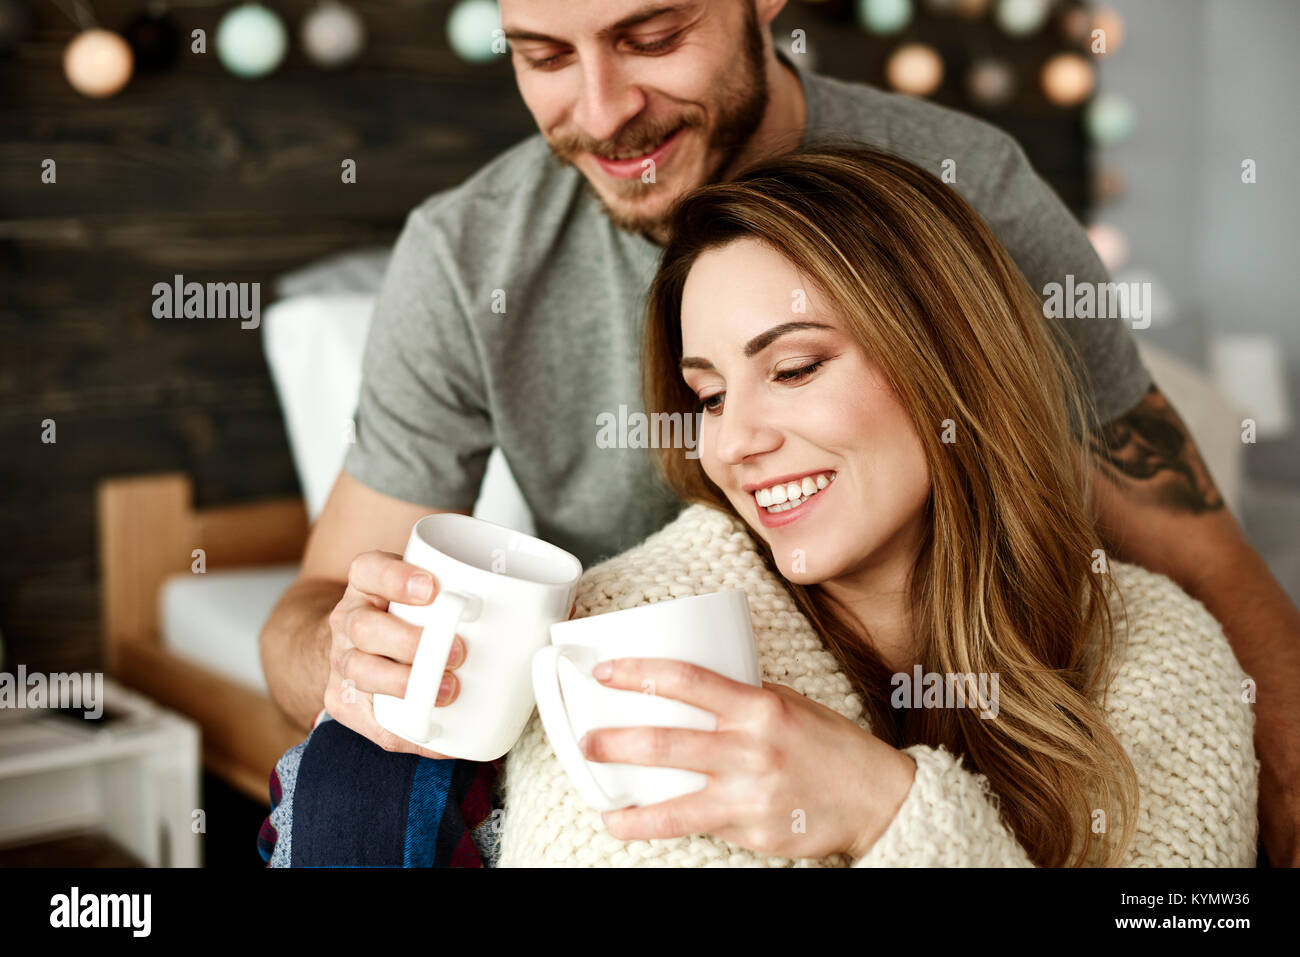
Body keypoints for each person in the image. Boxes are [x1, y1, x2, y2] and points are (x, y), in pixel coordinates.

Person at [258, 0, 1300, 864]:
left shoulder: (965, 191)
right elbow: (313, 607)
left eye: (652, 37)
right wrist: (356, 659)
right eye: (543, 56)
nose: (602, 109)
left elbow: (1193, 544)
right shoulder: (465, 257)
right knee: (353, 781)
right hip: (655, 706)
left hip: (992, 693)